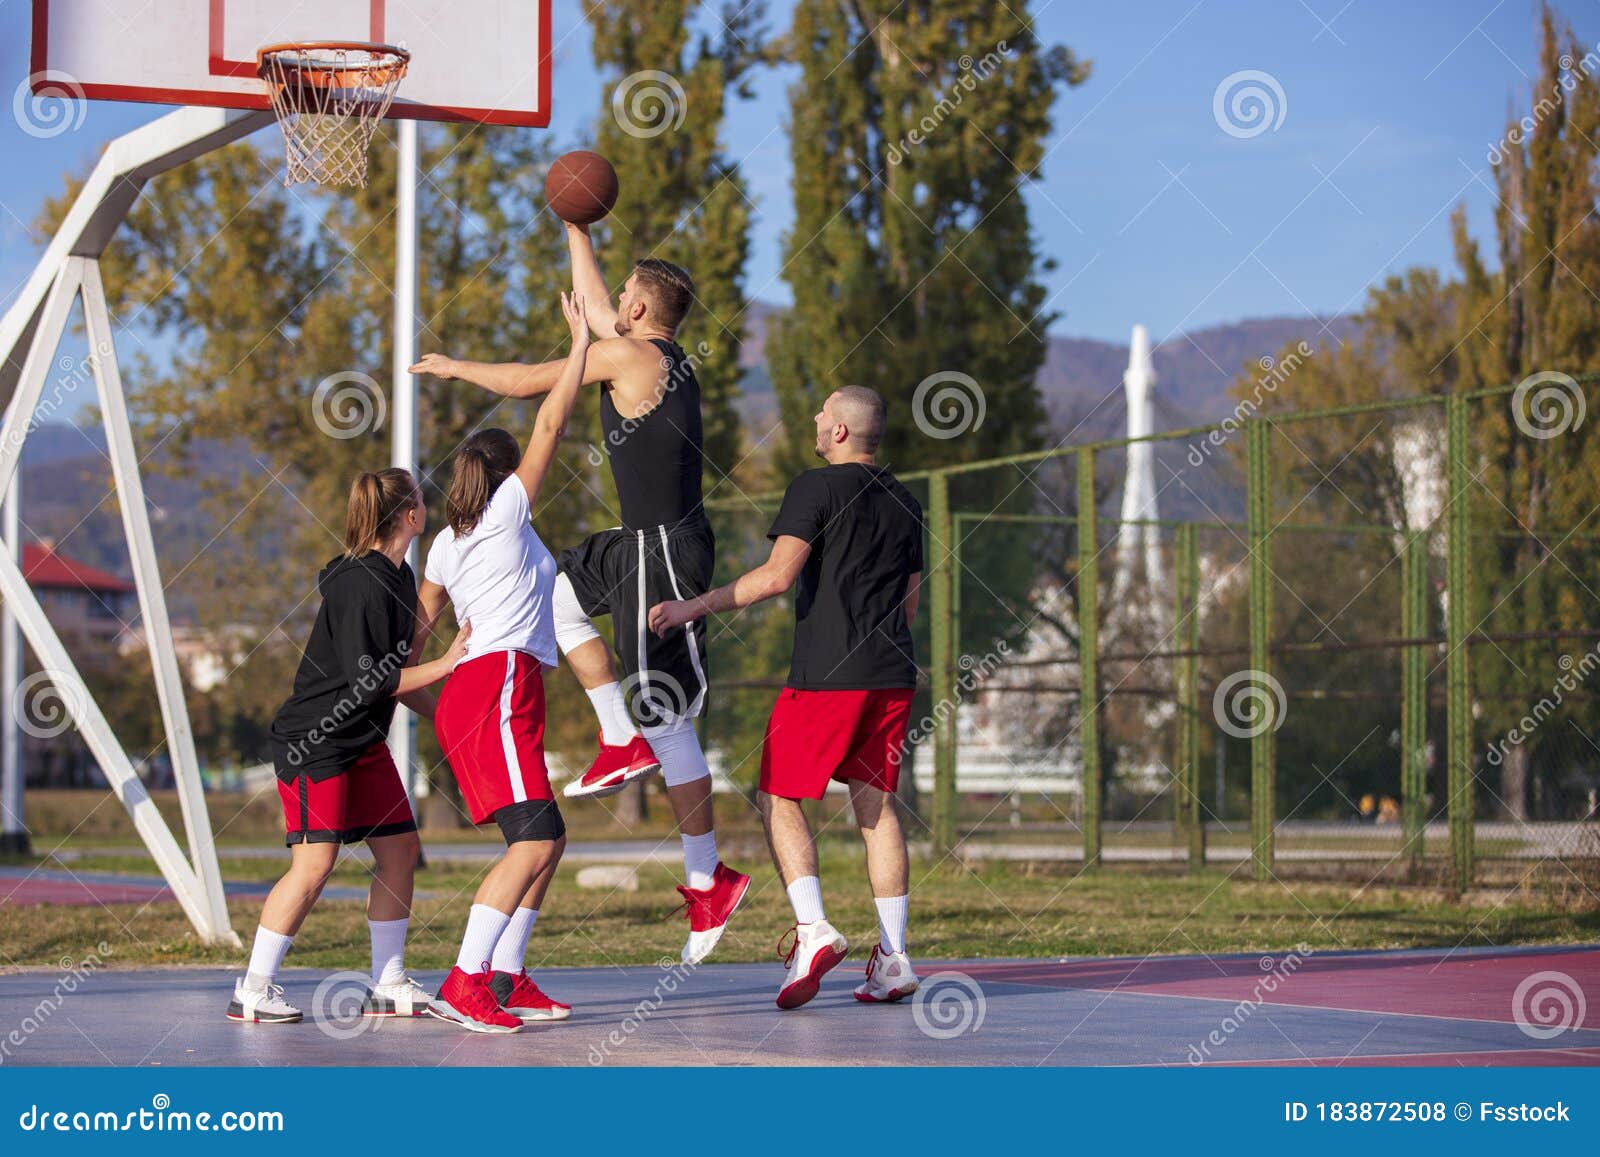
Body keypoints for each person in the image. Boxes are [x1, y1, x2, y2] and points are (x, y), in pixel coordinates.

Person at [410, 222, 747, 965]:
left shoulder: (629, 354)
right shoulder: (646, 345)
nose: (611, 300)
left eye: (624, 293)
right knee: (556, 589)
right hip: (633, 542)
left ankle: (708, 877)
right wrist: (575, 227)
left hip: (662, 547)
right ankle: (616, 734)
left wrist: (455, 367)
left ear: (639, 312)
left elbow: (537, 384)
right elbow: (596, 305)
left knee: (667, 712)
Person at [649, 386, 923, 1010]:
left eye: (823, 413)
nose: (815, 419)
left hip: (828, 675)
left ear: (844, 431)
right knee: (876, 810)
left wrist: (693, 606)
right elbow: (909, 604)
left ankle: (813, 927)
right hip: (891, 674)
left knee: (778, 795)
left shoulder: (816, 487)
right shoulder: (907, 502)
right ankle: (895, 957)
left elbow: (776, 577)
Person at [229, 469, 470, 1024]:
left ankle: (387, 982)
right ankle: (253, 989)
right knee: (315, 865)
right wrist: (448, 663)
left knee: (400, 849)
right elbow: (371, 681)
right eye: (421, 499)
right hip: (316, 742)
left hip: (360, 739)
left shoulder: (399, 576)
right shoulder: (359, 582)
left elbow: (400, 676)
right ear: (410, 515)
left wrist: (450, 719)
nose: (427, 506)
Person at [418, 292, 591, 1034]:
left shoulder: (448, 542)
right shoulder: (506, 512)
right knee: (534, 838)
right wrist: (580, 344)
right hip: (494, 683)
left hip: (482, 688)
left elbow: (416, 627)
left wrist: (422, 691)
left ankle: (508, 974)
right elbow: (550, 418)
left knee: (548, 837)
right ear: (505, 473)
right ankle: (465, 980)